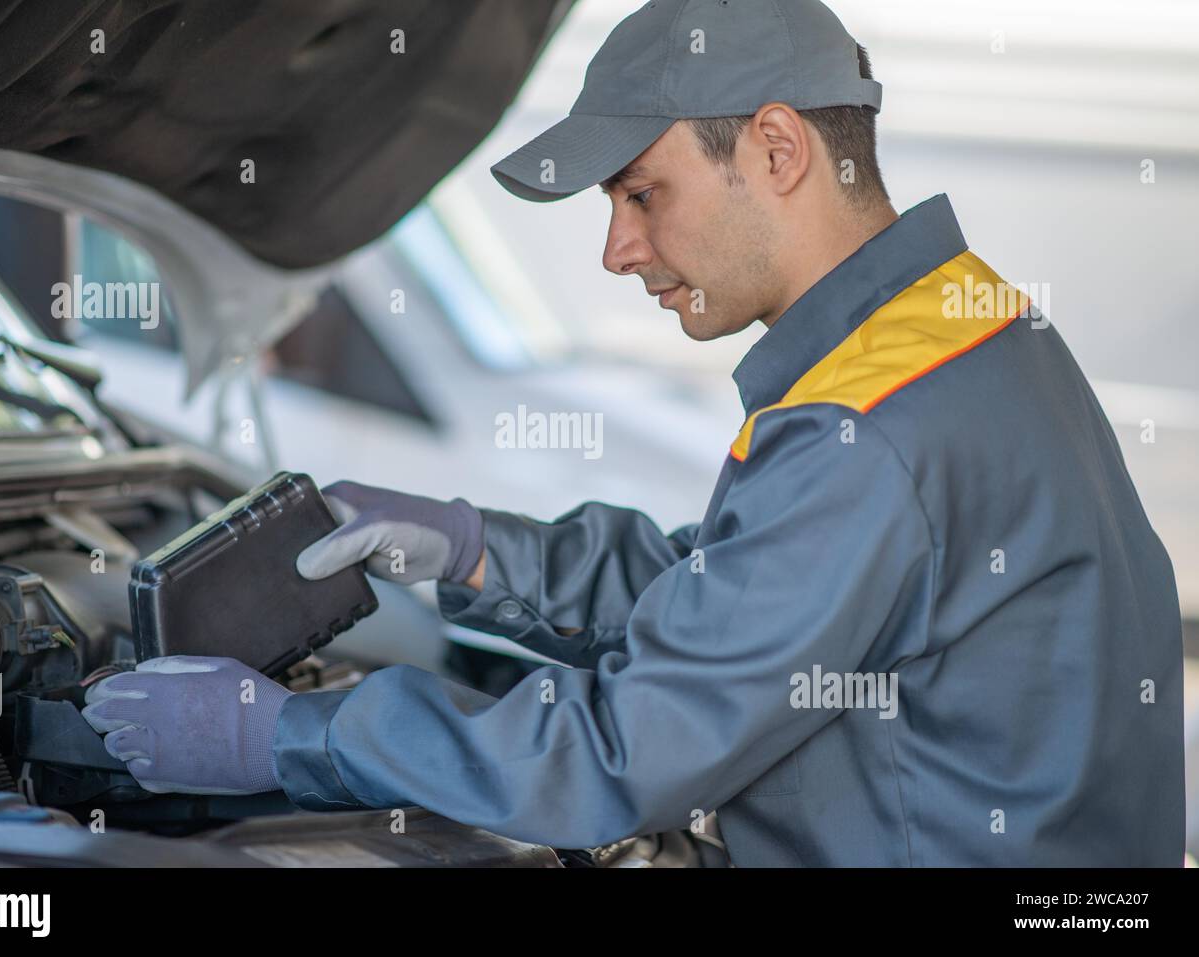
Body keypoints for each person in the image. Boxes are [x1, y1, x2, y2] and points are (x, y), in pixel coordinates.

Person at [83, 0, 1184, 865]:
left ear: (776, 148)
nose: (617, 250)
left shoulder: (871, 426)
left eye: (642, 194)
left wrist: (287, 738)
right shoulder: (964, 323)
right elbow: (734, 598)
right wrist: (480, 549)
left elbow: (621, 755)